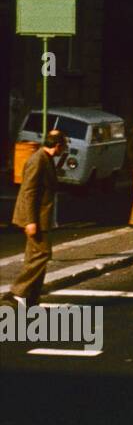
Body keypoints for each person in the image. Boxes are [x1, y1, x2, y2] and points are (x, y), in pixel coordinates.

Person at [4, 129, 66, 308]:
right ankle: (18, 291)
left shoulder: (47, 159)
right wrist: (30, 221)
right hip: (36, 218)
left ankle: (32, 300)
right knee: (42, 255)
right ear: (57, 145)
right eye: (64, 145)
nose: (65, 149)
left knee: (35, 258)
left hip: (42, 218)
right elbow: (29, 192)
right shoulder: (38, 160)